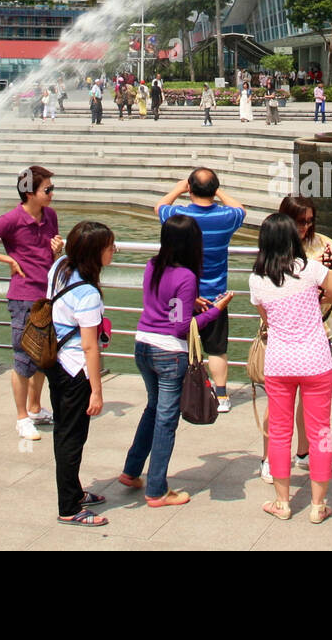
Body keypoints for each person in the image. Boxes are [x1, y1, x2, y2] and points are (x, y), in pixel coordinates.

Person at [119, 215, 232, 507]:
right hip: (168, 352)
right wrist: (215, 310)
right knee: (166, 420)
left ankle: (132, 471)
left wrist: (189, 301)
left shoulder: (152, 265)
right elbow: (181, 327)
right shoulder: (187, 276)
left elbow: (162, 301)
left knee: (153, 408)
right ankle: (156, 489)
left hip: (143, 344)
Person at [249, 212, 332, 522]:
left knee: (280, 433)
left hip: (280, 361)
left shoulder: (256, 279)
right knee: (320, 431)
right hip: (316, 360)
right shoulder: (311, 270)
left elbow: (267, 319)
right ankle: (318, 506)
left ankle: (282, 503)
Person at [0, 164, 62, 440]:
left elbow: (50, 254)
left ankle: (35, 407)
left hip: (47, 295)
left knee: (44, 357)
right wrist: (6, 259)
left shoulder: (50, 216)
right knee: (22, 359)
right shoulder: (11, 220)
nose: (52, 194)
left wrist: (57, 249)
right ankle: (21, 417)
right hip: (23, 297)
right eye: (48, 189)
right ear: (30, 193)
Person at [274, 195, 332, 474]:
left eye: (310, 222)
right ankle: (272, 461)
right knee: (278, 409)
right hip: (284, 334)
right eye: (301, 222)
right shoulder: (276, 246)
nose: (305, 227)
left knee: (314, 407)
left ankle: (305, 453)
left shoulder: (319, 243)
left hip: (315, 331)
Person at [156, 169, 245, 410]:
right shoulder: (227, 217)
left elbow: (159, 207)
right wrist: (219, 191)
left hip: (182, 296)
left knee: (179, 343)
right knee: (216, 348)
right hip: (216, 297)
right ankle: (223, 396)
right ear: (214, 189)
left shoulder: (179, 215)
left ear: (191, 189)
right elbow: (241, 209)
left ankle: (176, 391)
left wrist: (177, 188)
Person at [45, 220, 115, 526]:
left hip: (54, 362)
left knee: (65, 430)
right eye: (110, 246)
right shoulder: (88, 294)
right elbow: (90, 348)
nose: (114, 250)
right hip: (74, 370)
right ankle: (69, 508)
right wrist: (97, 390)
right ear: (94, 252)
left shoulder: (60, 266)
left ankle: (74, 490)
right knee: (72, 437)